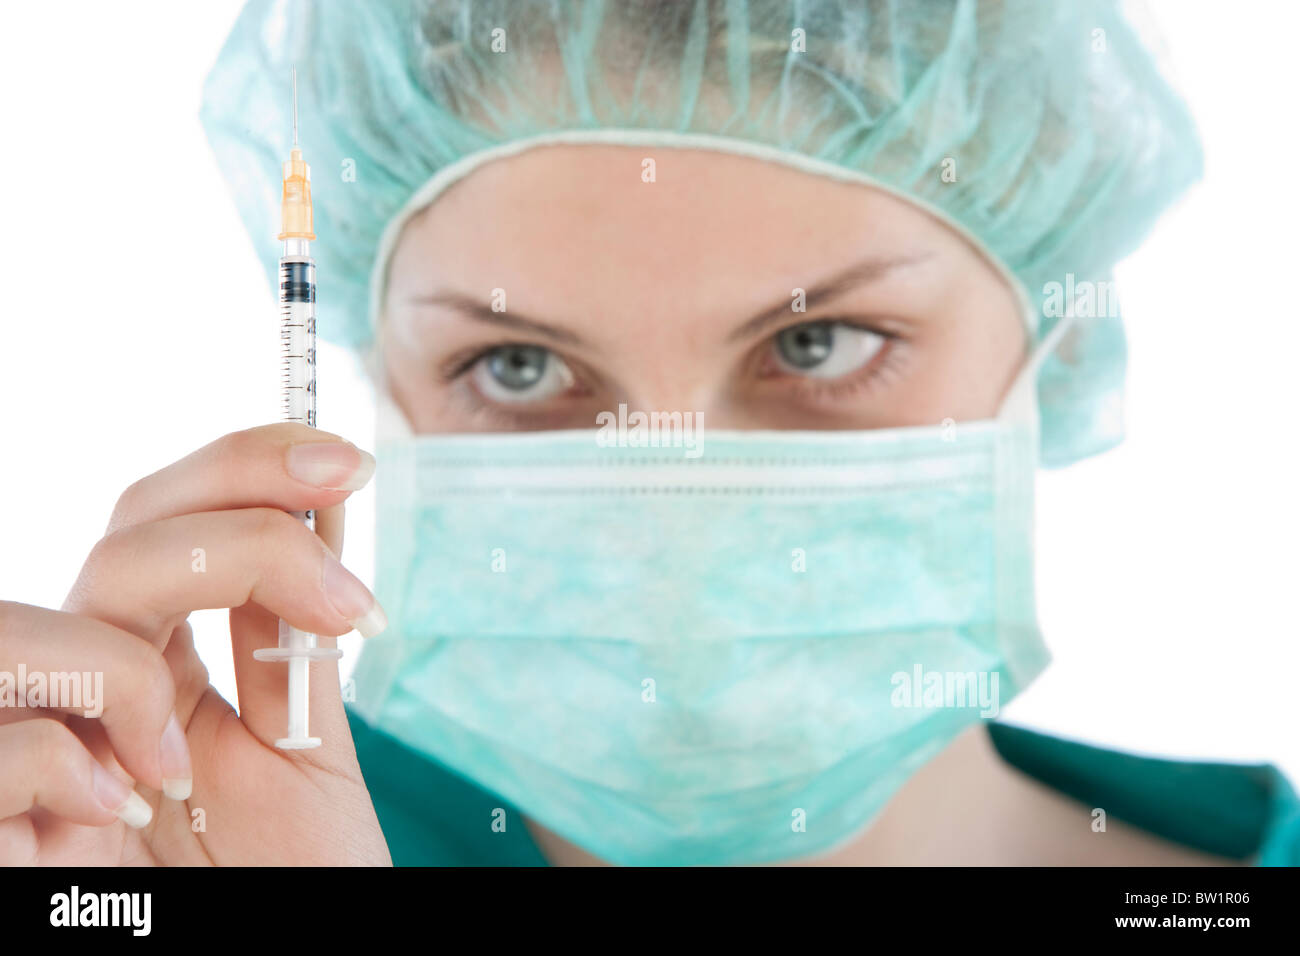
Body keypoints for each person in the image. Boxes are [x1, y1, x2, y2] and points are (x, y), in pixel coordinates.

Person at [2, 0, 1295, 866]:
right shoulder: (177, 842)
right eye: (517, 364)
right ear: (375, 377)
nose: (679, 536)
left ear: (1055, 338)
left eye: (817, 344)